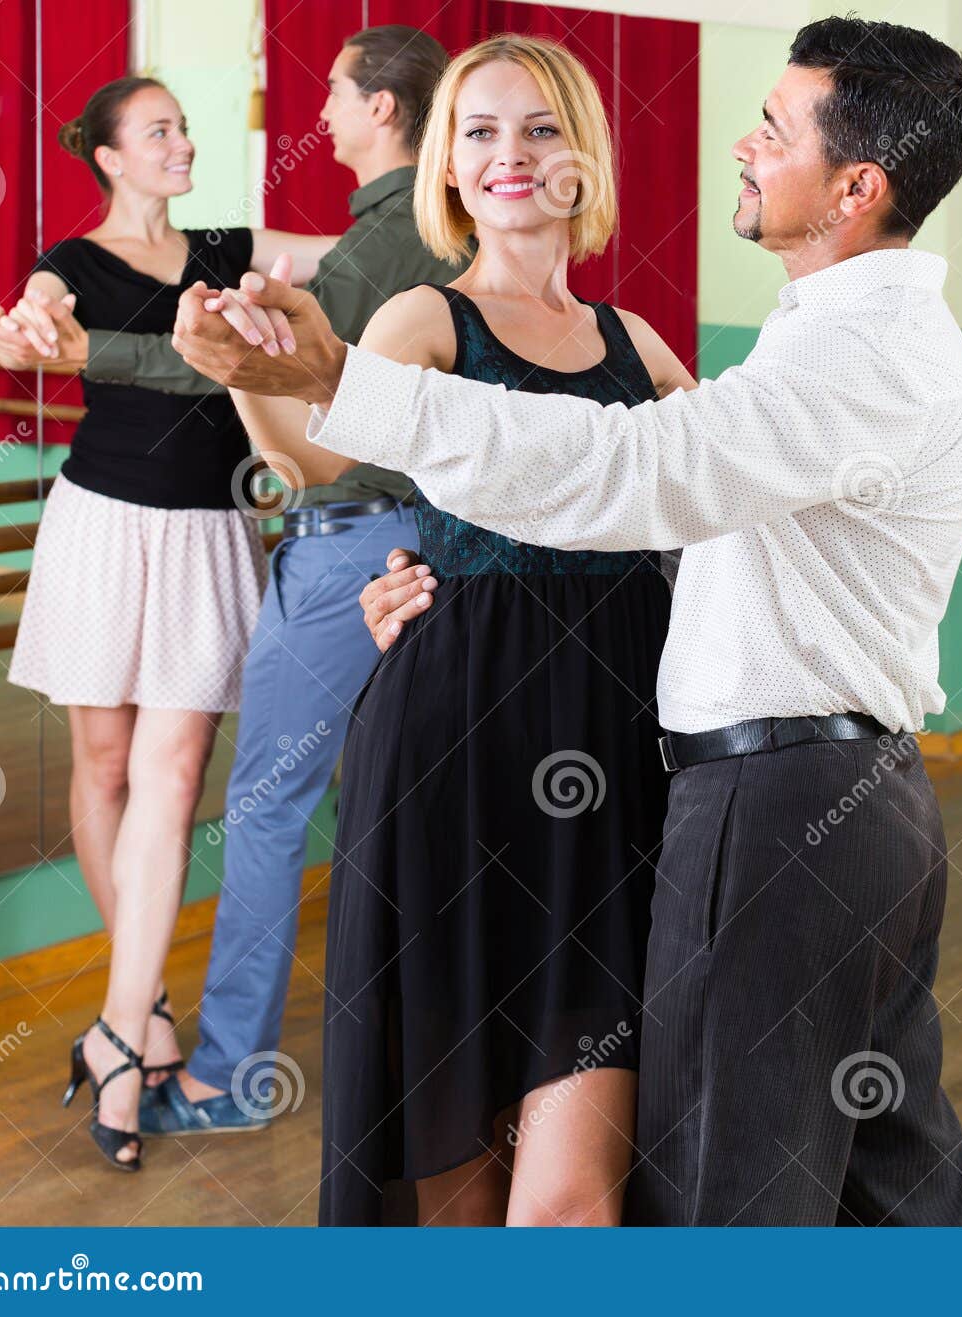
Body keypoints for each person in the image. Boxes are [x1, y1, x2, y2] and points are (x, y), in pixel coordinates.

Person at [176, 15, 962, 1227]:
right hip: (517, 749)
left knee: (733, 1195)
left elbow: (640, 475)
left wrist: (338, 377)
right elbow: (688, 509)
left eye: (773, 129)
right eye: (482, 130)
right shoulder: (814, 334)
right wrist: (405, 576)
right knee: (892, 1182)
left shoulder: (833, 351)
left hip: (733, 791)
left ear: (856, 185)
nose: (745, 146)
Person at [202, 34, 683, 1225]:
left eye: (537, 128)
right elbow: (322, 460)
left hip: (623, 730)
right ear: (450, 170)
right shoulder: (426, 316)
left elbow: (721, 515)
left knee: (583, 1124)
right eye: (478, 131)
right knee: (452, 1137)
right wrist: (243, 370)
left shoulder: (641, 345)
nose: (508, 154)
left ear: (583, 156)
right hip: (457, 722)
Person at [0, 75, 340, 1169]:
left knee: (174, 776)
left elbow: (342, 247)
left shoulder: (227, 243)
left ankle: (118, 1027)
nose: (184, 144)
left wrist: (443, 197)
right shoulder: (74, 260)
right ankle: (139, 1019)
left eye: (185, 128)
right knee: (103, 767)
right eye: (161, 133)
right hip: (100, 524)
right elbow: (34, 314)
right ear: (109, 156)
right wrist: (23, 329)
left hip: (205, 533)